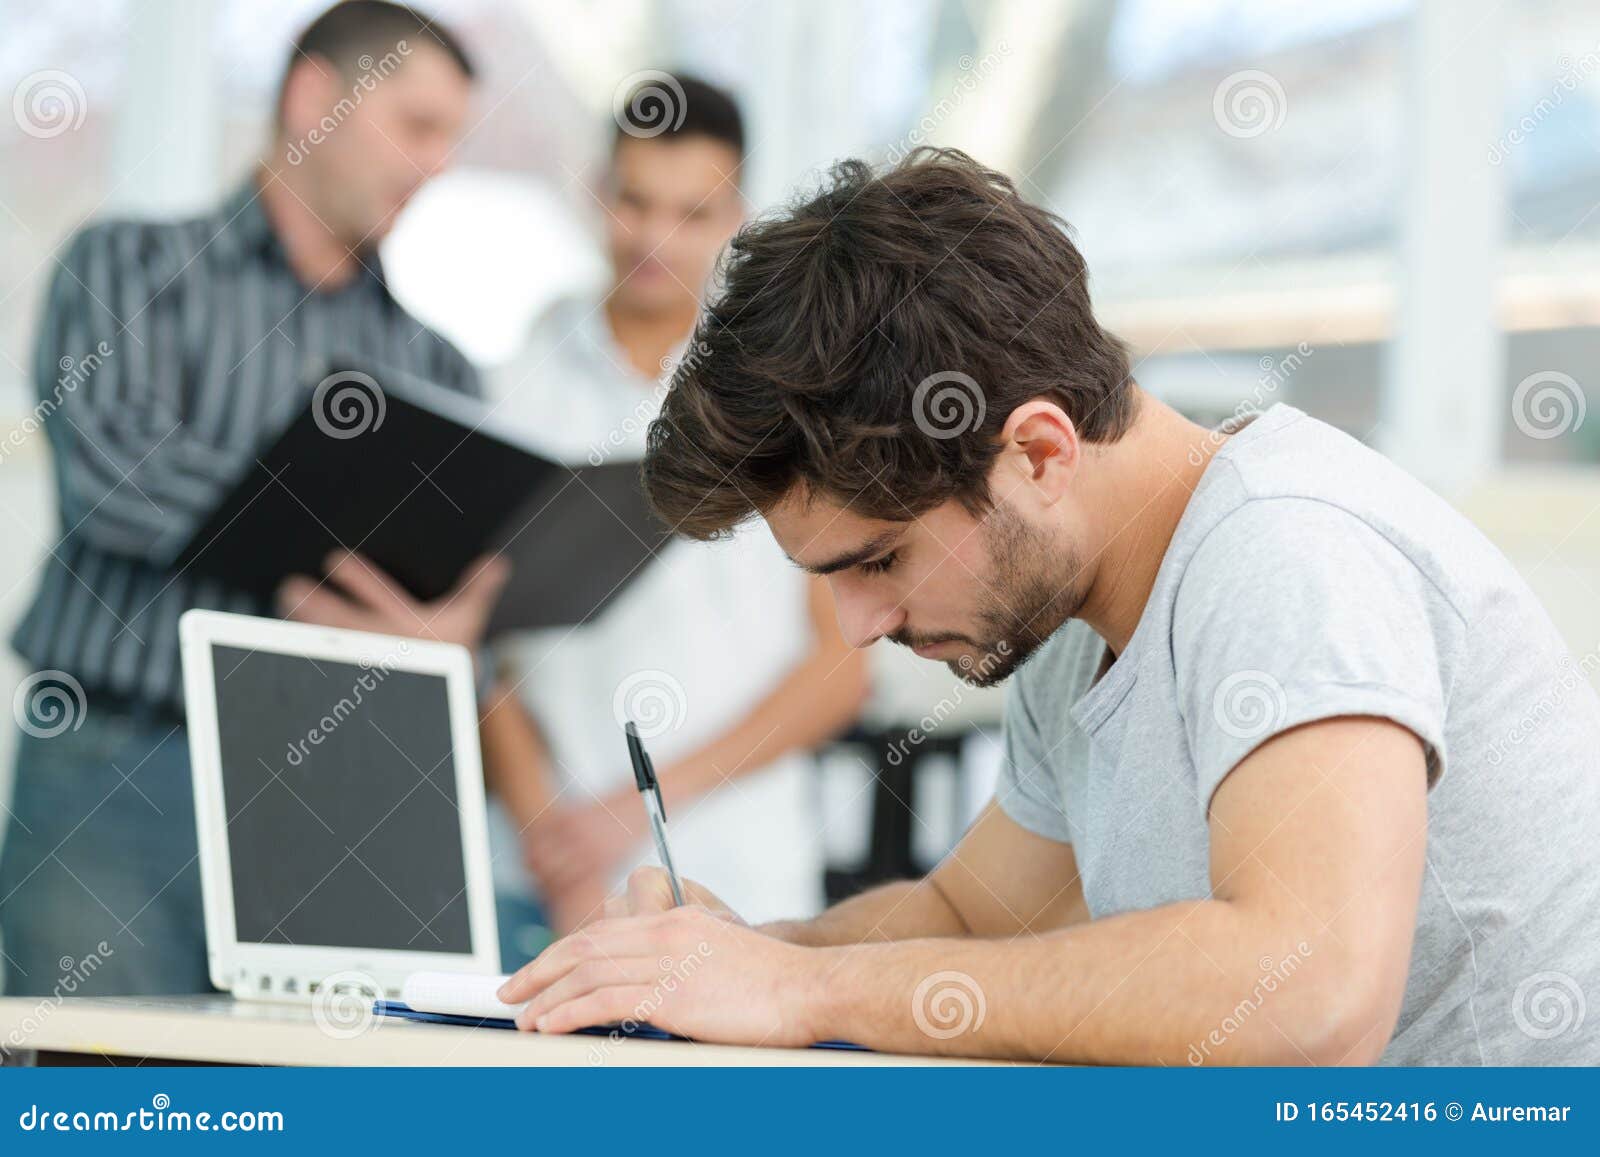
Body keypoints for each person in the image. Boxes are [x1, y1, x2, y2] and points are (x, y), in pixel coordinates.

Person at [498, 149, 1600, 1065]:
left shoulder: (1287, 549)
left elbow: (1309, 992)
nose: (857, 627)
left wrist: (803, 993)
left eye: (878, 560)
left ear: (1036, 450)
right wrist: (740, 959)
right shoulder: (1083, 619)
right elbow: (967, 917)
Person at [0, 0, 485, 996]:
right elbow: (115, 481)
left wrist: (458, 621)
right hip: (121, 775)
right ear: (314, 96)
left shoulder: (437, 366)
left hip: (341, 799)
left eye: (451, 138)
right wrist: (333, 559)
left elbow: (452, 586)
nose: (436, 164)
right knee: (94, 1090)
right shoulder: (127, 267)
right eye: (416, 125)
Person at [481, 74, 869, 940]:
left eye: (691, 214)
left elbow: (842, 667)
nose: (654, 238)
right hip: (539, 880)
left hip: (741, 879)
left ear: (738, 213)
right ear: (598, 193)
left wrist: (634, 809)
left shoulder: (791, 392)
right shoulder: (516, 381)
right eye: (635, 203)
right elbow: (481, 647)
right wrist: (554, 837)